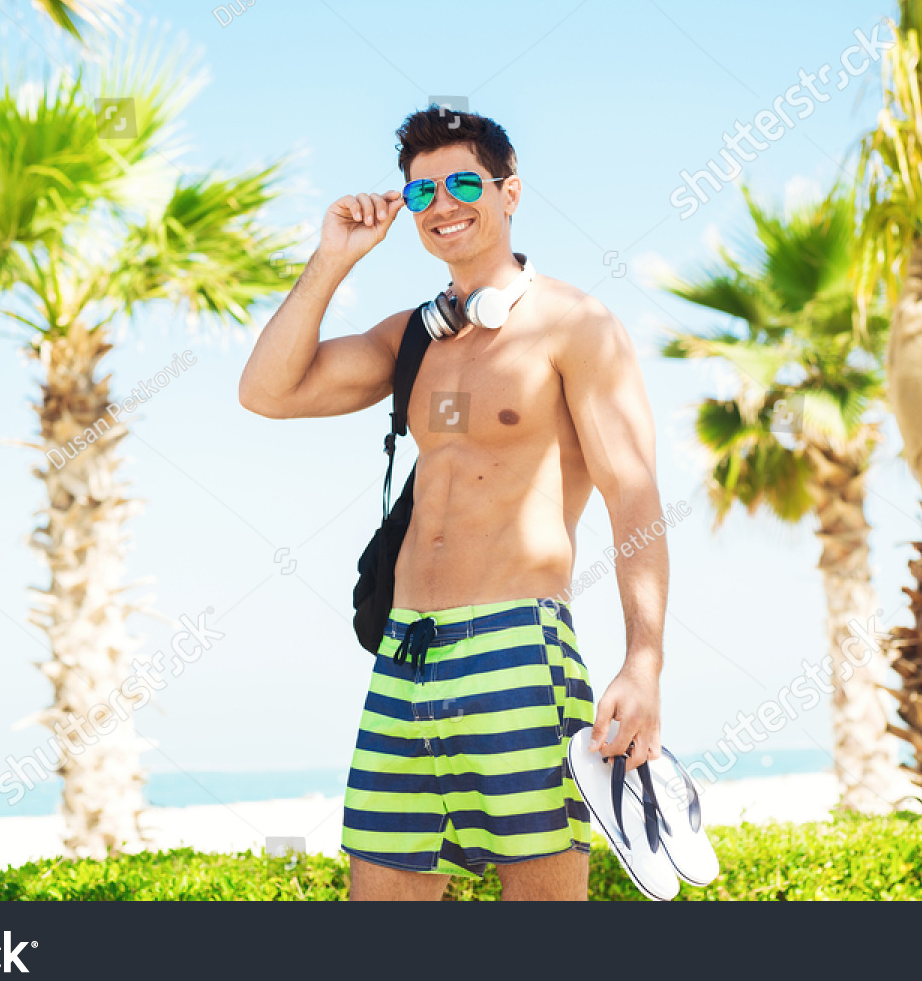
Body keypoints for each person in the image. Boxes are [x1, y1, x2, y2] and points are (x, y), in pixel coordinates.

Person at [238, 106, 668, 900]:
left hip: (516, 643)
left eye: (465, 183)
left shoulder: (574, 325)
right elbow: (266, 392)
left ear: (510, 193)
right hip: (403, 655)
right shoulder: (411, 339)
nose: (443, 204)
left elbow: (633, 496)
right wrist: (333, 260)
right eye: (421, 191)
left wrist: (643, 660)